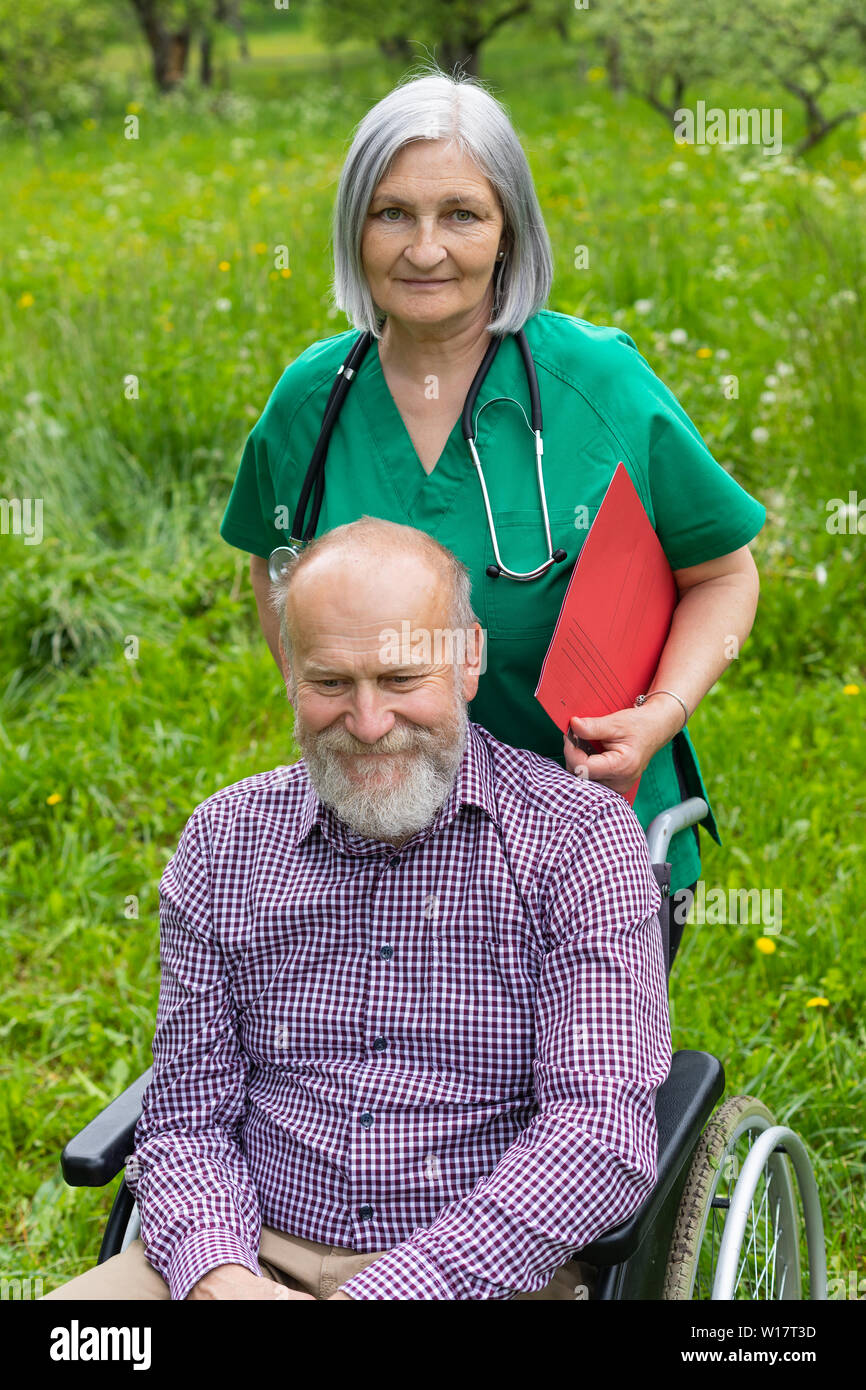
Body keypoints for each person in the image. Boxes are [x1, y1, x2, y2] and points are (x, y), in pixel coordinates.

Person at [42, 518, 671, 1302]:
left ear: (469, 657)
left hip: (474, 1270)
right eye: (332, 683)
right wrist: (218, 1274)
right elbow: (189, 1120)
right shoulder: (224, 841)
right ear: (290, 670)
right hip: (248, 1249)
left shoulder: (576, 839)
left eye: (402, 679)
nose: (370, 725)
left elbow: (598, 1138)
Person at [219, 68, 765, 962]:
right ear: (354, 228)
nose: (424, 248)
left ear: (510, 231)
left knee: (567, 1088)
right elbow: (272, 558)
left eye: (462, 214)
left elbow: (723, 572)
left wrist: (659, 715)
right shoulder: (309, 401)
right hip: (390, 826)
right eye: (391, 212)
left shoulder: (598, 384)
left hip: (588, 830)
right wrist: (328, 708)